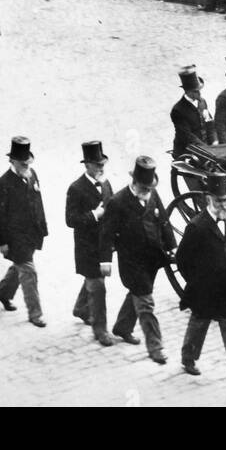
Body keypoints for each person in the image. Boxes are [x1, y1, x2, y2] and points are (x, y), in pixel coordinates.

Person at [175, 172, 226, 380]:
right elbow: (182, 259)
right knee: (199, 322)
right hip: (205, 287)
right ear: (209, 199)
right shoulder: (197, 226)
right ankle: (188, 358)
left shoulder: (225, 219)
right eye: (220, 201)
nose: (225, 205)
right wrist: (197, 281)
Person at [99, 155, 175, 364]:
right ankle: (156, 347)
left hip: (152, 259)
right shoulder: (117, 202)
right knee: (146, 303)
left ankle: (122, 327)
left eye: (149, 189)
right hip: (131, 262)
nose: (147, 193)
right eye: (144, 189)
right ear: (134, 183)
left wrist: (172, 246)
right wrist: (105, 261)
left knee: (138, 293)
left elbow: (164, 221)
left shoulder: (152, 193)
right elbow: (106, 234)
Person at [0, 136, 48, 326]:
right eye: (23, 164)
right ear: (12, 161)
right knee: (29, 272)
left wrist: (42, 227)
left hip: (32, 234)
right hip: (15, 238)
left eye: (28, 163)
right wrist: (2, 242)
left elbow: (38, 203)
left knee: (20, 267)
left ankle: (3, 293)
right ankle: (35, 314)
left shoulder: (32, 175)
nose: (26, 166)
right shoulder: (3, 184)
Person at [65, 139, 114, 346]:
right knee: (98, 286)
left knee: (94, 282)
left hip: (103, 246)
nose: (101, 167)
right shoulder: (76, 188)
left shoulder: (105, 183)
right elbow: (71, 220)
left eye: (102, 164)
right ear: (87, 165)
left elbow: (112, 207)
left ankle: (81, 308)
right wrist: (95, 214)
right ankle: (100, 331)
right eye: (97, 165)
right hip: (87, 247)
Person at [171, 64, 214, 157]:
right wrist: (206, 149)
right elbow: (187, 136)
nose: (199, 93)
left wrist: (214, 142)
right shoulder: (177, 110)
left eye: (200, 90)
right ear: (187, 91)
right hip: (186, 151)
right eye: (195, 91)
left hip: (206, 148)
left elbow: (209, 123)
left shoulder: (202, 102)